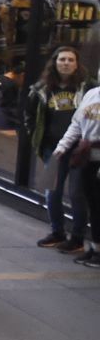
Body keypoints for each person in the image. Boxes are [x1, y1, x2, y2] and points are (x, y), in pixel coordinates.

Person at [30, 46, 91, 250]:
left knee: (76, 194)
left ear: (77, 63)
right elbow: (30, 115)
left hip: (79, 150)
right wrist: (36, 137)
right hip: (53, 148)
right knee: (52, 192)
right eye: (62, 59)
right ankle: (57, 232)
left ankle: (77, 238)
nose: (66, 63)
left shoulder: (88, 87)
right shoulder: (42, 87)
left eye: (70, 60)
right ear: (55, 62)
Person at [52, 74, 100, 267]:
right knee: (94, 206)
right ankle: (96, 248)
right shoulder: (91, 94)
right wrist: (62, 147)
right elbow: (77, 124)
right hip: (87, 159)